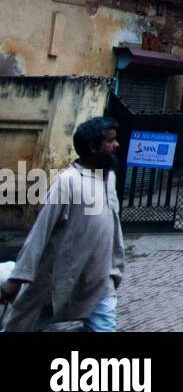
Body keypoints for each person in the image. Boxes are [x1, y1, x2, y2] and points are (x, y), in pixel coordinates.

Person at [1, 118, 126, 332]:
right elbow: (40, 233)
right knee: (22, 325)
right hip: (58, 275)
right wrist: (18, 277)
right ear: (93, 147)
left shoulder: (108, 179)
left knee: (104, 327)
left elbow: (110, 228)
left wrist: (115, 267)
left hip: (98, 278)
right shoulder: (68, 181)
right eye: (110, 141)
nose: (116, 145)